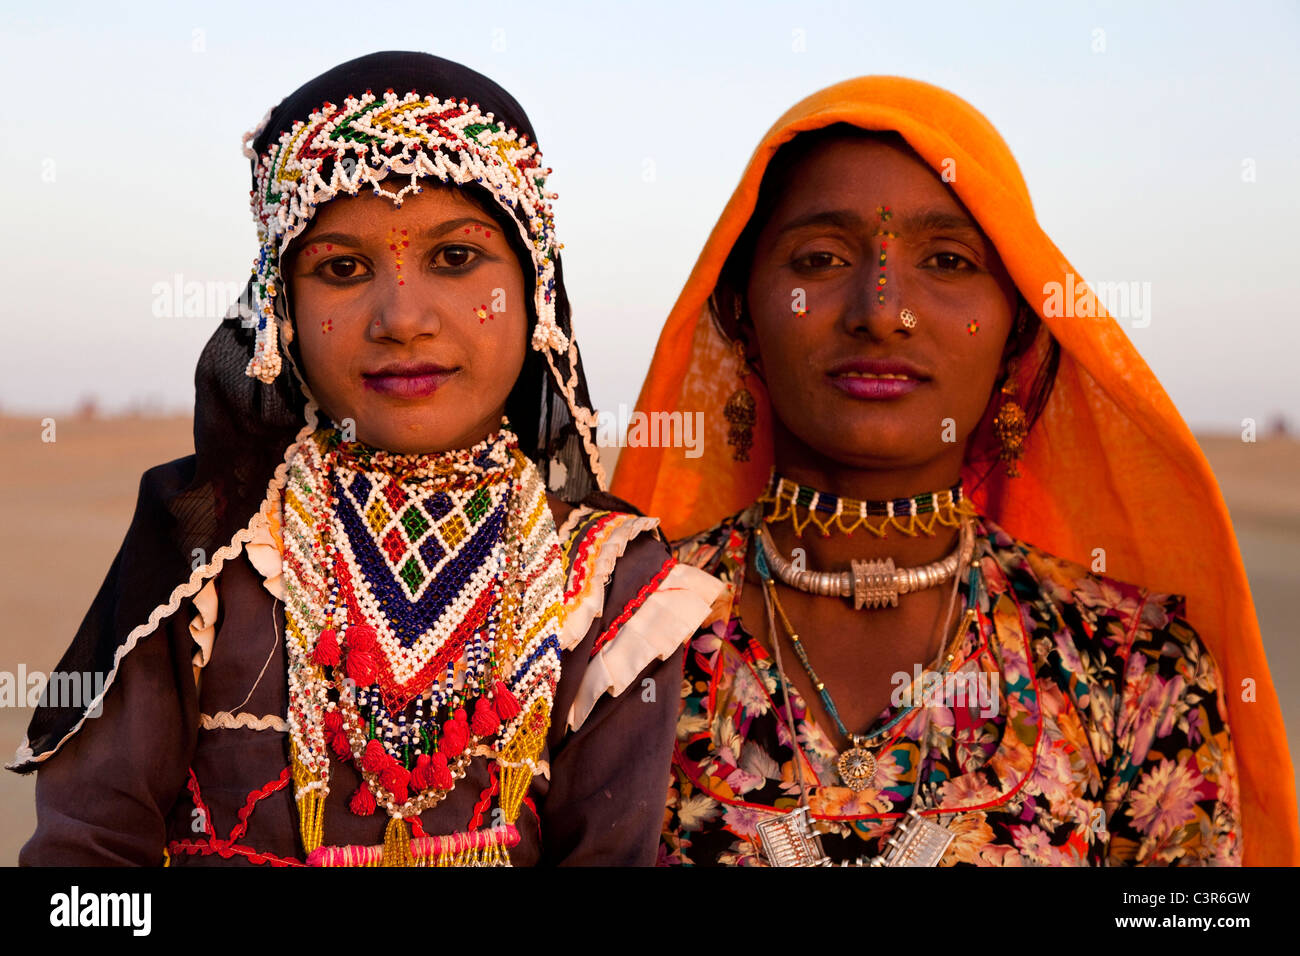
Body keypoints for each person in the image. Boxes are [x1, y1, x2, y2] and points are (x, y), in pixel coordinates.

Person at [10, 50, 721, 867]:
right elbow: (87, 855)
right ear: (280, 310)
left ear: (535, 295)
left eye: (456, 258)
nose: (401, 316)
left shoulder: (610, 583)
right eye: (342, 269)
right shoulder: (207, 552)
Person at [611, 76, 1298, 866]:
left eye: (947, 260)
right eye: (822, 257)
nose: (882, 308)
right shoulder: (620, 641)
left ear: (1016, 328)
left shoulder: (1135, 668)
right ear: (742, 311)